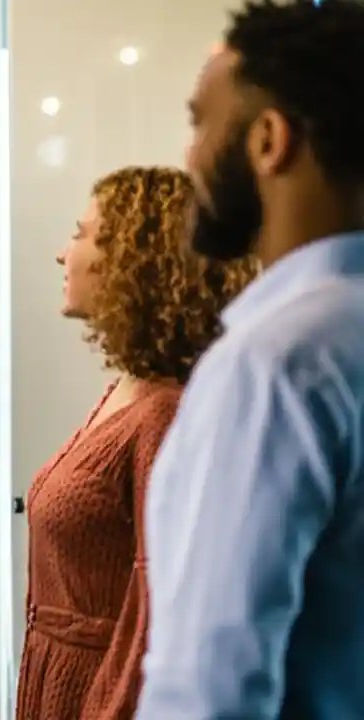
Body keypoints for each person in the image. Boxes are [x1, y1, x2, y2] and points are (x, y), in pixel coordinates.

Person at [138, 2, 364, 718]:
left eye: (201, 122)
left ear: (270, 140)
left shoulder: (277, 364)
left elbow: (211, 689)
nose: (190, 155)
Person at [15, 167, 257, 719]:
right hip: (61, 683)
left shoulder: (164, 416)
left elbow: (159, 619)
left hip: (105, 697)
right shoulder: (125, 394)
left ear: (134, 260)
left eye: (80, 234)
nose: (62, 254)